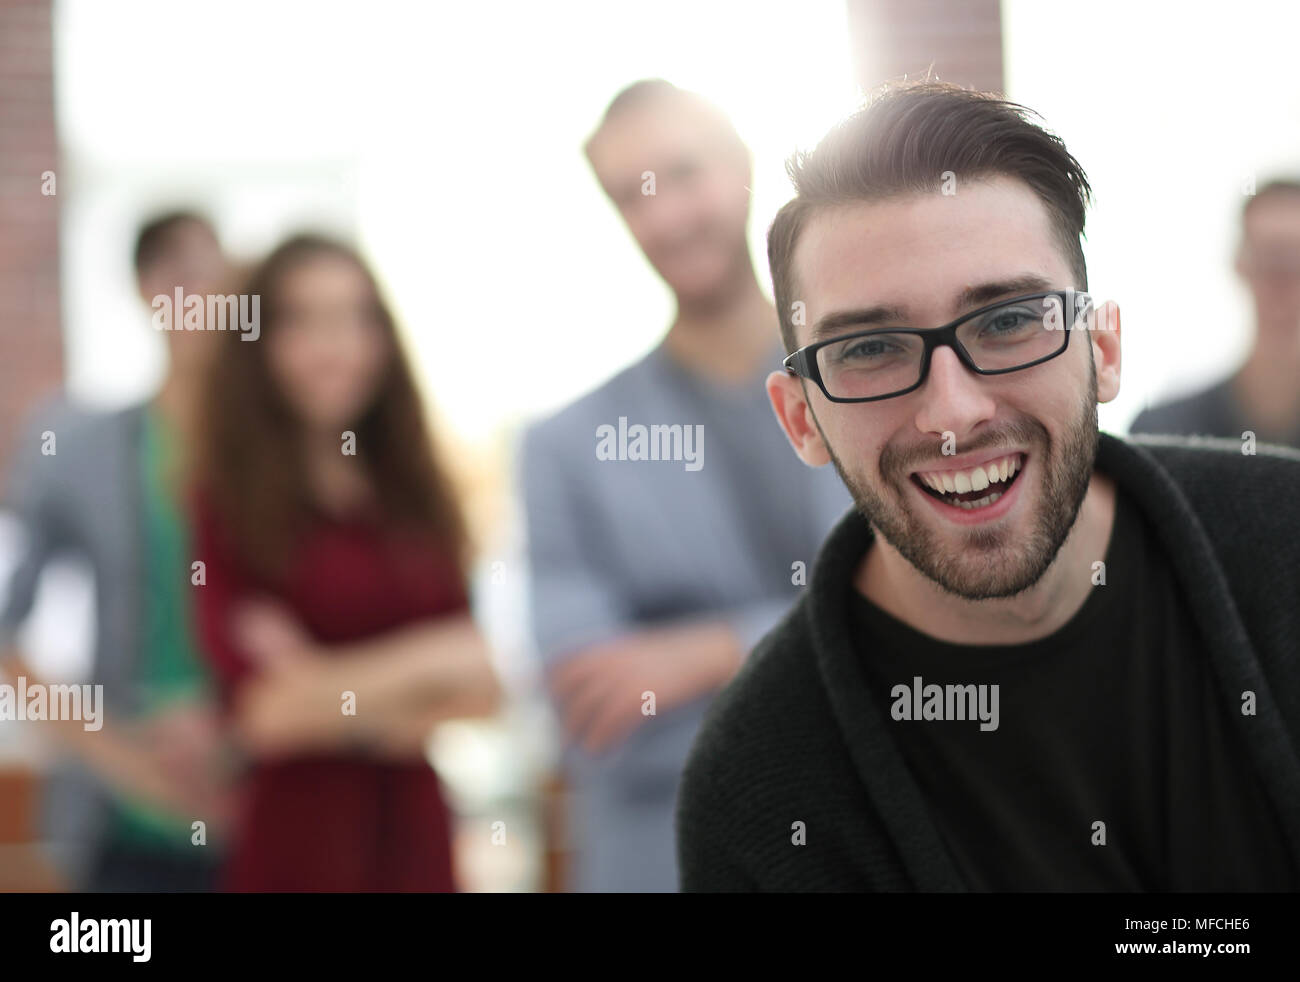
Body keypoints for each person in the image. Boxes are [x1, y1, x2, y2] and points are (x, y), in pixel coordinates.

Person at [676, 81, 1300, 891]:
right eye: (869, 349)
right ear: (801, 419)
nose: (953, 413)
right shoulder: (758, 790)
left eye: (1008, 322)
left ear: (1102, 350)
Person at [520, 80, 849, 892]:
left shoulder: (876, 384)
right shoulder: (566, 446)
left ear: (741, 167)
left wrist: (708, 650)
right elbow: (601, 716)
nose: (665, 217)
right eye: (633, 195)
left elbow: (946, 630)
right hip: (666, 864)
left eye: (683, 173)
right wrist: (842, 651)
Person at [190, 233, 502, 892]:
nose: (334, 347)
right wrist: (428, 664)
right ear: (262, 344)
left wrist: (324, 685)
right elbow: (265, 714)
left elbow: (481, 681)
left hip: (416, 842)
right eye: (303, 321)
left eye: (354, 318)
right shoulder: (226, 501)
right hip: (295, 847)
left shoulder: (415, 489)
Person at [0, 210, 234, 891]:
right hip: (122, 826)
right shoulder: (81, 448)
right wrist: (120, 759)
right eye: (180, 275)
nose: (202, 297)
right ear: (146, 291)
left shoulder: (280, 455)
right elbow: (8, 637)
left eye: (217, 275)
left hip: (259, 810)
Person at [1131, 179, 1300, 448]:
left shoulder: (1168, 430)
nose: (1283, 281)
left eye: (1295, 259)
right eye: (1270, 258)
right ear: (1241, 264)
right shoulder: (1165, 434)